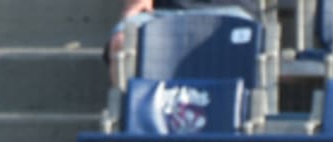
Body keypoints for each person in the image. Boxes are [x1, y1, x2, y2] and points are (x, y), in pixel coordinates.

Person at [105, 0, 259, 86]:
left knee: (247, 42)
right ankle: (128, 120)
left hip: (232, 8)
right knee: (122, 41)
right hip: (163, 10)